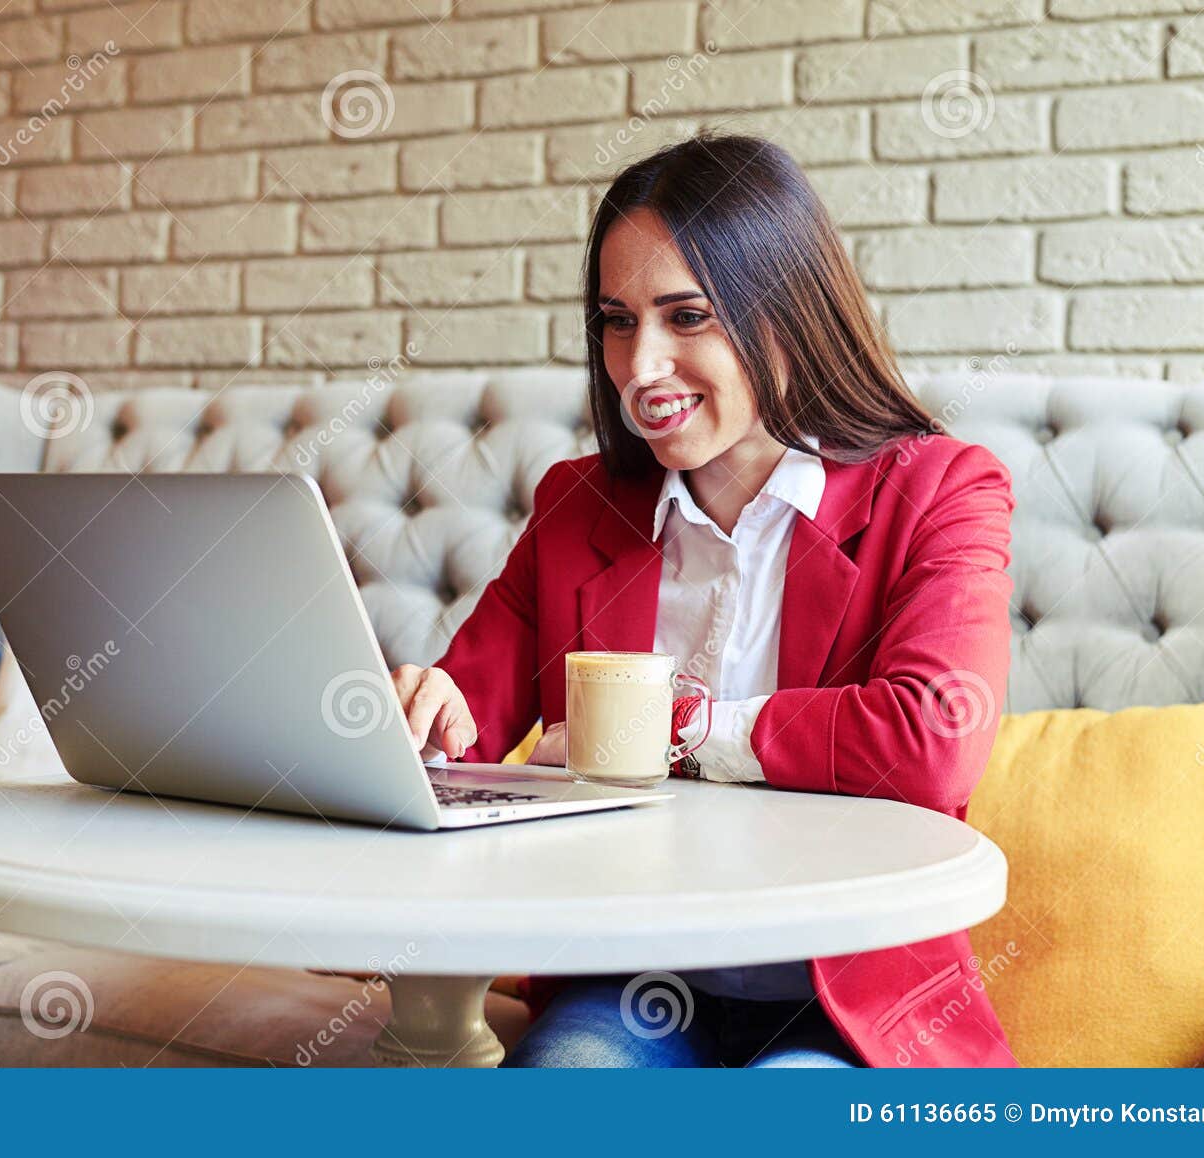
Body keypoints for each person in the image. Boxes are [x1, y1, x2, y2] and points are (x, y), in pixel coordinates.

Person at [388, 132, 1017, 1068]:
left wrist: (672, 729)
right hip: (634, 982)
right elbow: (458, 731)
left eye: (687, 317)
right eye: (616, 319)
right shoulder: (576, 506)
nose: (641, 368)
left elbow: (930, 744)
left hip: (842, 1002)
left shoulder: (939, 489)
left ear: (790, 314)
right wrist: (413, 719)